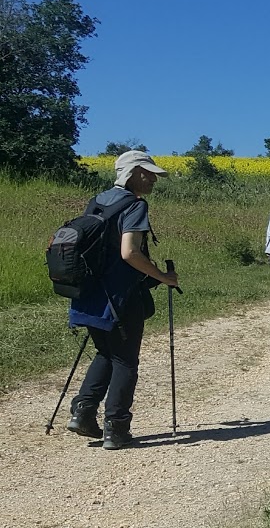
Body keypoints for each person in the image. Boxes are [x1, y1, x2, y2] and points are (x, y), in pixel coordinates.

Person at [65, 151, 181, 450]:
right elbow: (129, 252)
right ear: (133, 173)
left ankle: (84, 412)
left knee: (106, 353)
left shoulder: (98, 201)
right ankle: (115, 429)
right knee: (126, 361)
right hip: (119, 296)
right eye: (149, 173)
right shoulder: (134, 205)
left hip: (89, 293)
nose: (154, 179)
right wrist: (163, 277)